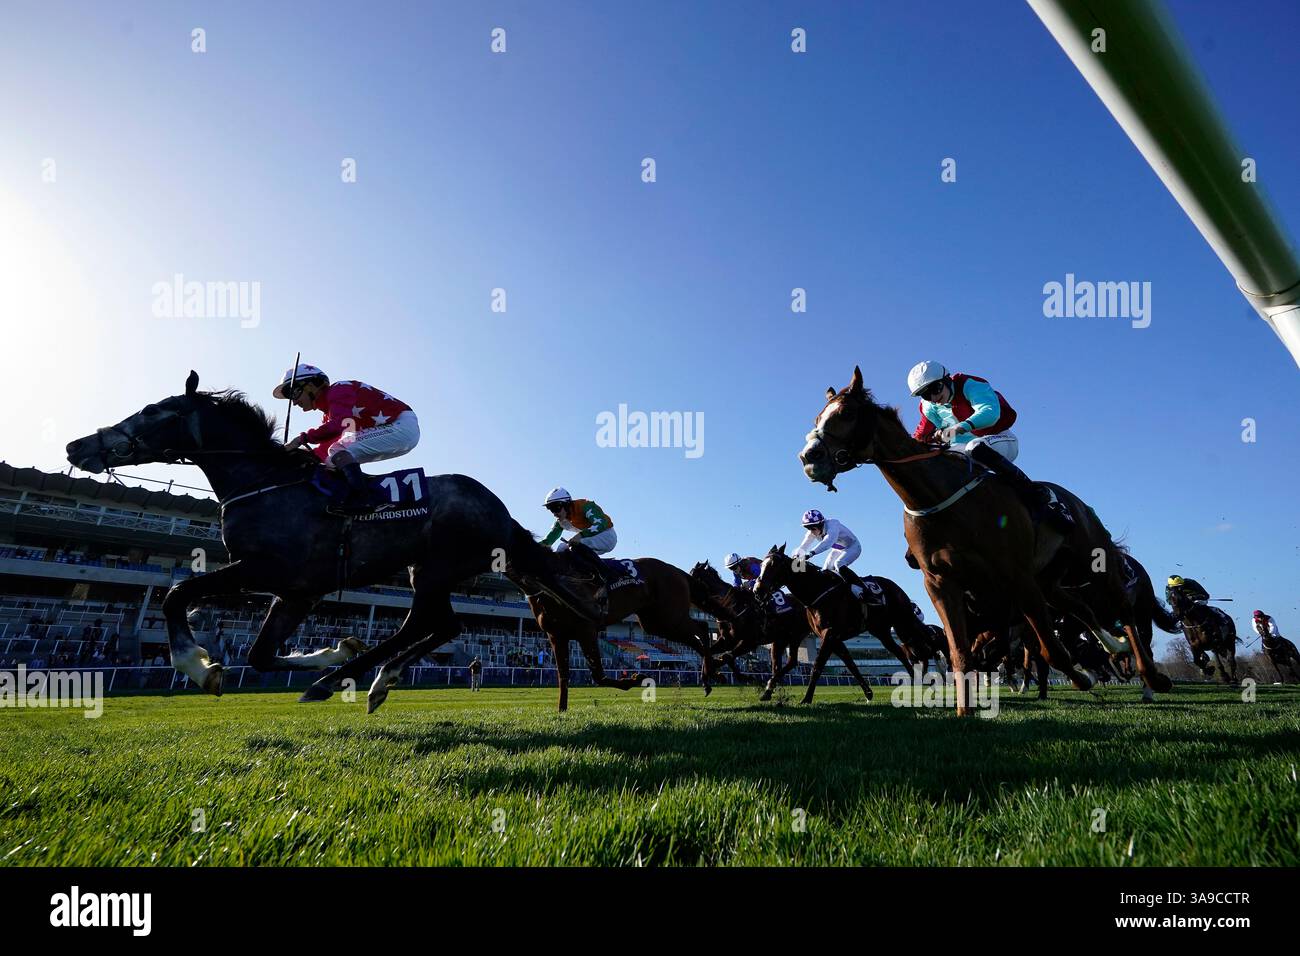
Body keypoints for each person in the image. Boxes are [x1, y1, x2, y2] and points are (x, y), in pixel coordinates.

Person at [906, 360, 1073, 531]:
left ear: (947, 379)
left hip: (999, 439)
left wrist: (958, 428)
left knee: (975, 448)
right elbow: (920, 435)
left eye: (935, 389)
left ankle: (1039, 494)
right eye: (926, 395)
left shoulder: (970, 385)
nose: (933, 398)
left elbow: (990, 413)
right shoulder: (929, 407)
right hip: (963, 450)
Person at [275, 363, 420, 514]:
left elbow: (338, 425)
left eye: (295, 393)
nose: (294, 402)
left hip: (401, 425)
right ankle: (359, 496)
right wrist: (295, 457)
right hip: (396, 429)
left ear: (311, 385)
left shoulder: (338, 390)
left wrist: (301, 439)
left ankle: (363, 499)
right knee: (331, 460)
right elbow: (323, 451)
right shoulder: (330, 413)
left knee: (338, 450)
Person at [792, 510, 864, 588]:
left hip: (853, 547)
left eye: (812, 528)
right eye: (808, 528)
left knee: (839, 564)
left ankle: (862, 589)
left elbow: (827, 543)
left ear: (820, 525)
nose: (811, 531)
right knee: (825, 570)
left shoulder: (833, 525)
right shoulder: (813, 531)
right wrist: (796, 556)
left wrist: (810, 554)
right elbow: (804, 545)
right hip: (838, 550)